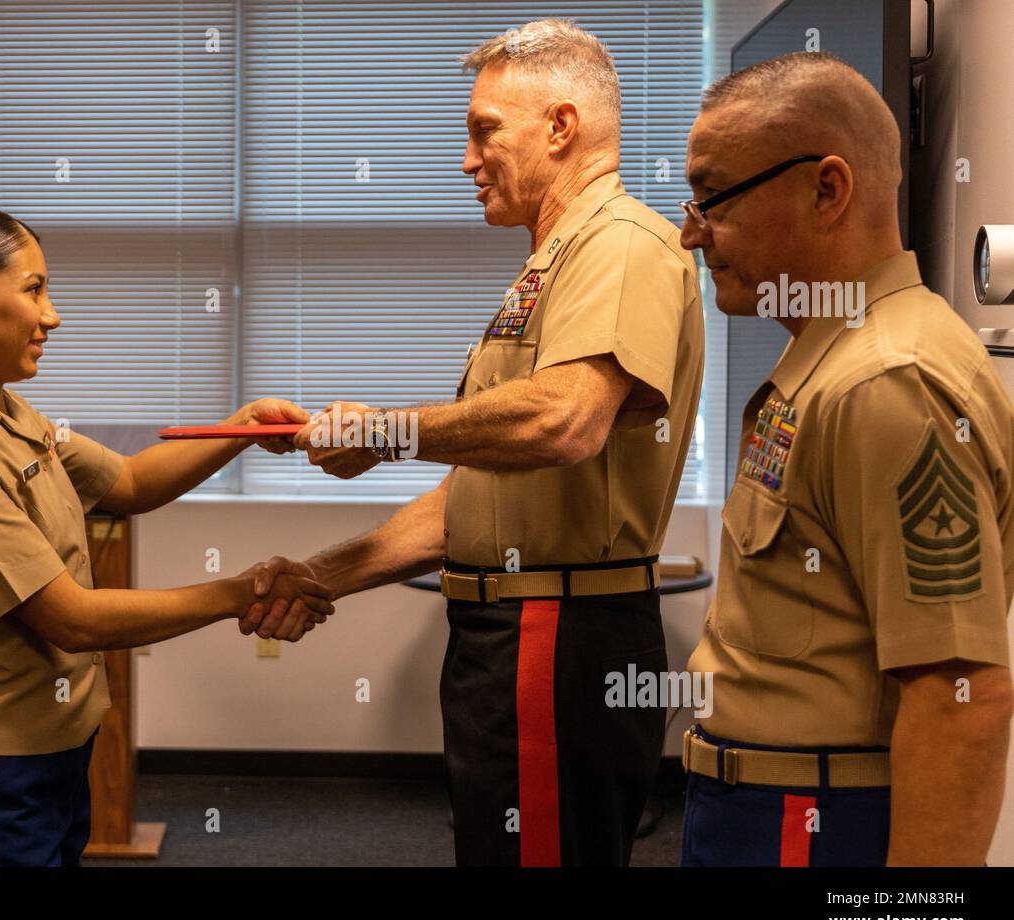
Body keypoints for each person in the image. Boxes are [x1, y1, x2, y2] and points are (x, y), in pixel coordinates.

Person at [244, 19, 704, 866]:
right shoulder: (552, 263)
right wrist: (323, 576)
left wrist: (382, 430)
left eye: (484, 130)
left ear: (561, 127)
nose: (466, 160)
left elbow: (564, 420)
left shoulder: (622, 245)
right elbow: (484, 498)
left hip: (557, 634)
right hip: (512, 632)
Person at [0, 205, 333, 866]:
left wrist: (246, 425)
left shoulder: (8, 413)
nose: (52, 315)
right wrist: (242, 592)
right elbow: (73, 619)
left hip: (56, 756)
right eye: (33, 290)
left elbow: (128, 482)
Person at [678, 51, 1013, 866]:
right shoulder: (839, 361)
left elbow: (959, 697)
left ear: (828, 189)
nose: (691, 230)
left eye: (713, 197)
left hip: (813, 826)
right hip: (763, 809)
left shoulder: (889, 383)